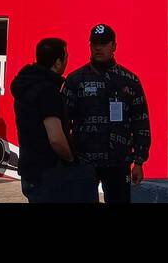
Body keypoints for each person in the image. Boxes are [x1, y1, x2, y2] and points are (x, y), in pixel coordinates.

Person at [61, 23, 150, 203]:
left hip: (118, 162)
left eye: (103, 43)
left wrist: (139, 162)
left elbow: (140, 121)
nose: (98, 48)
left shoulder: (129, 81)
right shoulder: (75, 80)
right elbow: (62, 122)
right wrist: (68, 159)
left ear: (114, 46)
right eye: (94, 43)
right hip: (83, 162)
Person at [12, 37, 85, 202]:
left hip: (30, 168)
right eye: (66, 57)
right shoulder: (48, 91)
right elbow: (56, 138)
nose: (67, 61)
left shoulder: (26, 85)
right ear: (58, 62)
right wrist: (72, 161)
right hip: (47, 172)